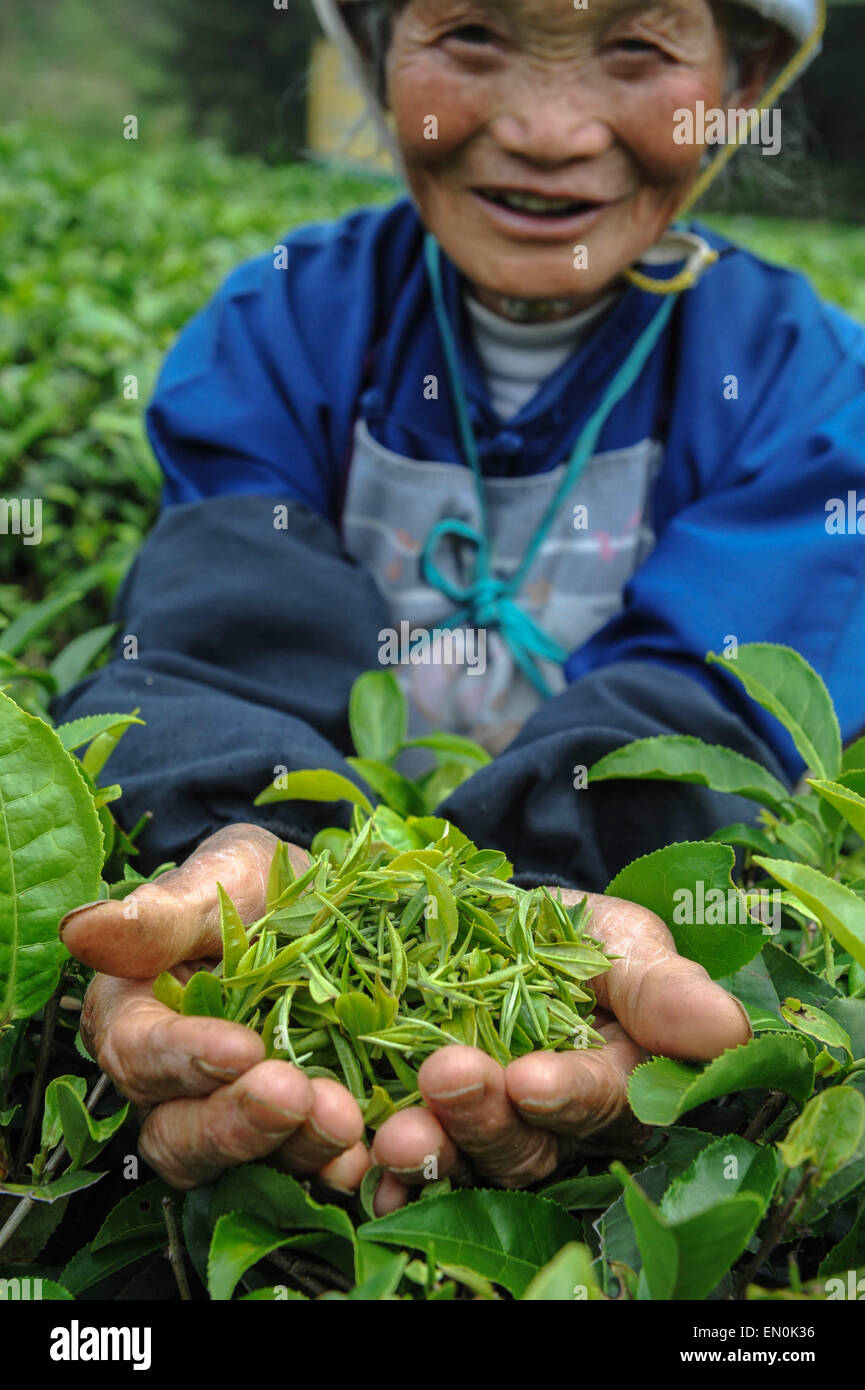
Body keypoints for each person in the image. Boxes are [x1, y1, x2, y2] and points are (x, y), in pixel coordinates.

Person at [57, 0, 865, 1205]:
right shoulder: (280, 328)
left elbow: (714, 693)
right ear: (378, 58)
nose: (546, 132)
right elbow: (211, 642)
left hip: (570, 885)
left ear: (739, 83)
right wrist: (243, 837)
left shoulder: (805, 384)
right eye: (473, 35)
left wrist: (556, 897)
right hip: (335, 864)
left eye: (637, 50)